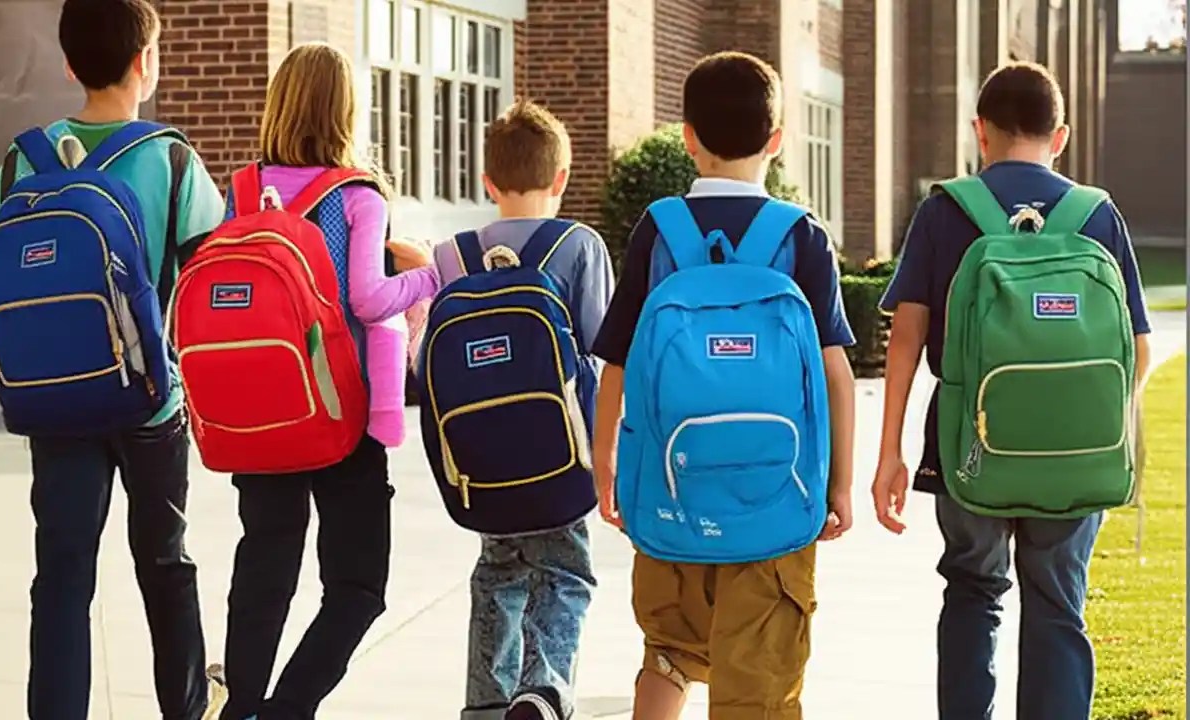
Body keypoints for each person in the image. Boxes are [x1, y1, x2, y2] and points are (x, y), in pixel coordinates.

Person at [0, 0, 225, 718]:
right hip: (150, 403)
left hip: (57, 400)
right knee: (164, 563)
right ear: (148, 63)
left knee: (63, 577)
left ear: (69, 64)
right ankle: (186, 707)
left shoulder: (25, 155)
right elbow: (211, 263)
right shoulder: (172, 157)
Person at [873, 61, 1151, 720]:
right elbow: (1138, 348)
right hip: (1077, 452)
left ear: (981, 132)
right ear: (1061, 136)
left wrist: (891, 451)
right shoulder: (1097, 214)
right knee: (1057, 600)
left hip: (968, 443)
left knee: (973, 588)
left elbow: (906, 336)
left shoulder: (946, 209)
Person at [590, 51, 857, 720]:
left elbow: (617, 365)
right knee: (761, 678)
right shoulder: (801, 236)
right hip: (777, 493)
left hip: (670, 489)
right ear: (777, 140)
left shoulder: (659, 230)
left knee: (667, 652)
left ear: (686, 137)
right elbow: (834, 372)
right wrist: (840, 485)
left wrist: (606, 469)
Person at [215, 42, 438, 720]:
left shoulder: (245, 189)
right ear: (347, 110)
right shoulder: (358, 198)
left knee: (264, 567)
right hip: (342, 410)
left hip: (262, 407)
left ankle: (243, 707)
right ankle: (289, 709)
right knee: (357, 584)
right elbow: (368, 300)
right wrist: (430, 271)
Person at [418, 99, 614, 720]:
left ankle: (486, 702)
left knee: (497, 573)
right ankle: (545, 689)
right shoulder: (578, 246)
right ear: (561, 179)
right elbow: (605, 356)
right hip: (561, 458)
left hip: (482, 462)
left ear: (487, 181)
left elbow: (432, 361)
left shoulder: (451, 256)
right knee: (565, 573)